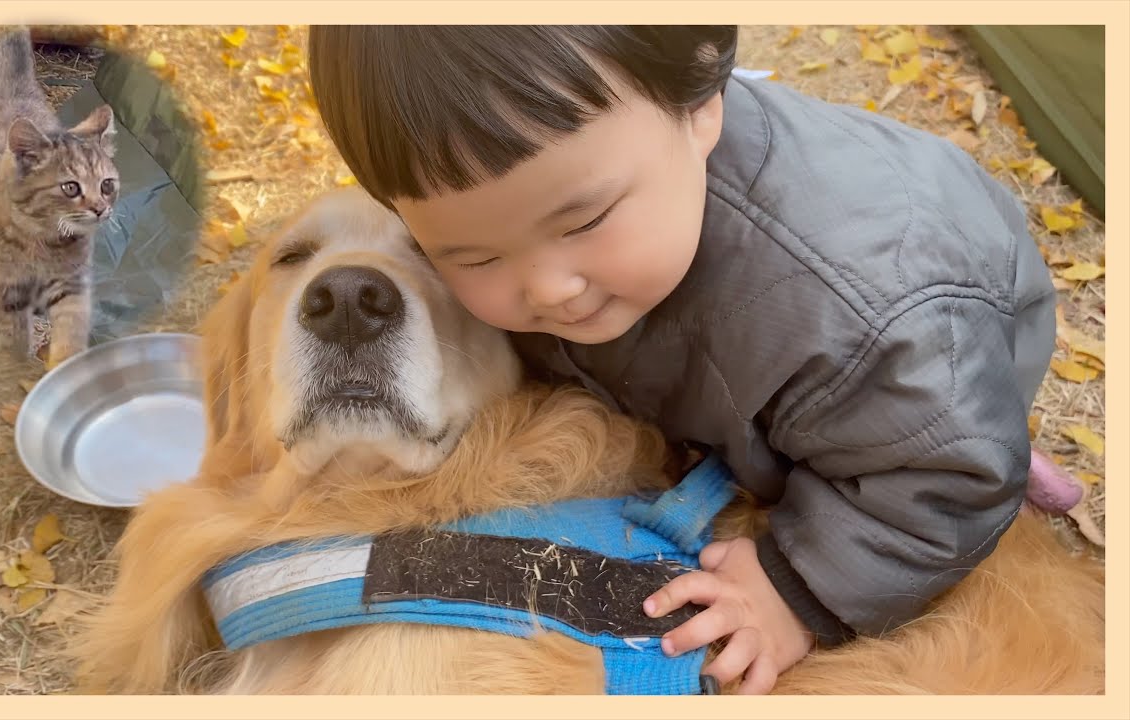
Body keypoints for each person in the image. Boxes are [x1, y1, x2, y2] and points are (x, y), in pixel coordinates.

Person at [307, 25, 1056, 694]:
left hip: (926, 339)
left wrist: (798, 590)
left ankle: (901, 432)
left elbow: (952, 480)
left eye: (585, 220)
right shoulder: (611, 191)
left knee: (926, 444)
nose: (547, 288)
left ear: (700, 102)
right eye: (472, 255)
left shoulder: (862, 313)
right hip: (842, 346)